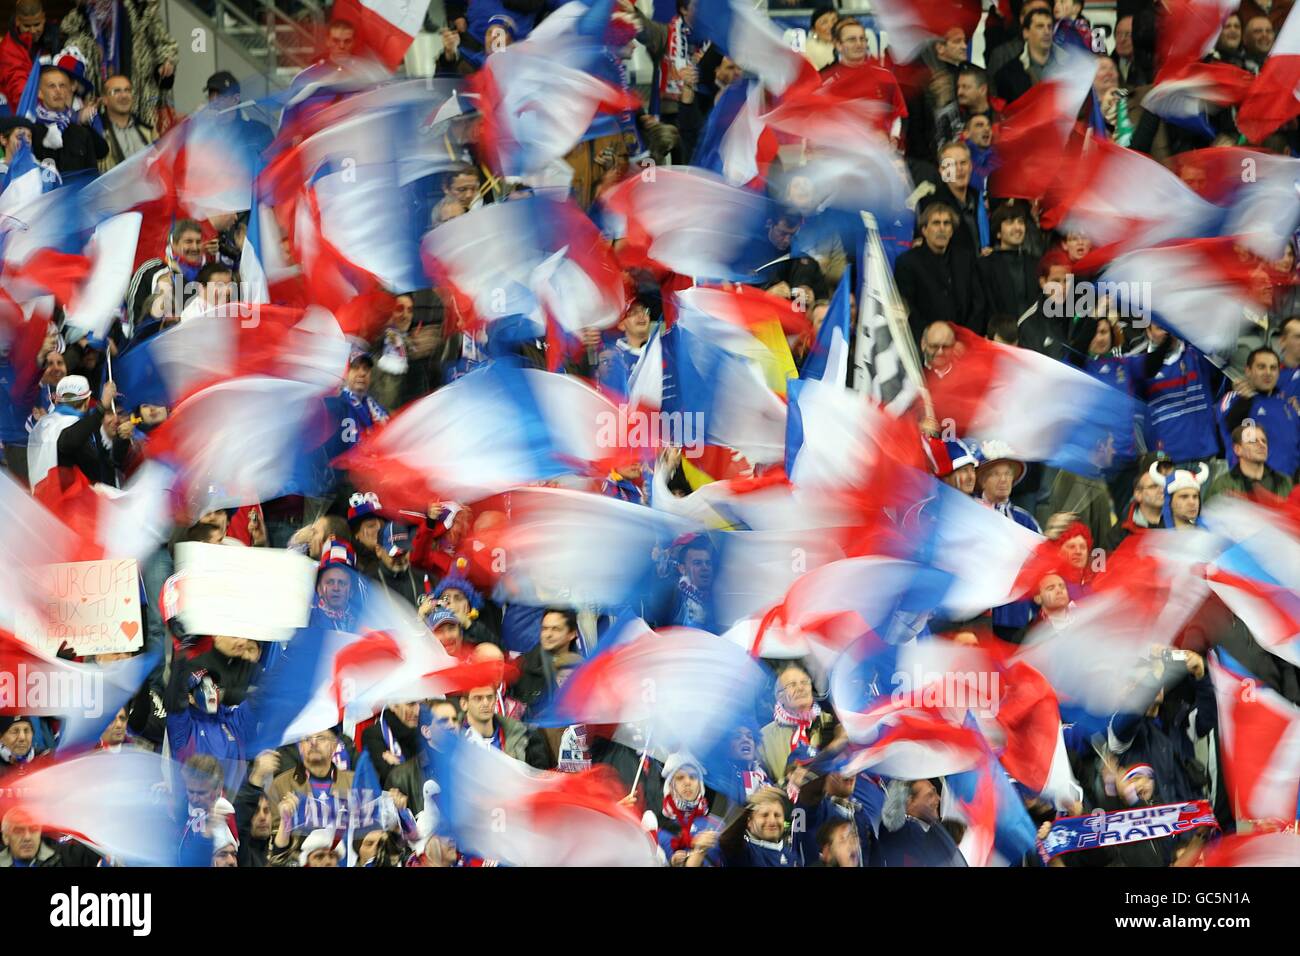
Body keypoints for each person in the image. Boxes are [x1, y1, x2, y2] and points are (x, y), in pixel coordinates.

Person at [59, 0, 177, 128]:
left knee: (141, 139)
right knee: (108, 142)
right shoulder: (80, 21)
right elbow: (71, 61)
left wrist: (166, 62)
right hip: (100, 103)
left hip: (139, 98)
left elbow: (166, 44)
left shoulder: (139, 10)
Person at [894, 202, 988, 343]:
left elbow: (978, 302)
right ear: (924, 230)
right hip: (926, 344)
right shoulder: (907, 262)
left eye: (947, 223)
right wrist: (930, 337)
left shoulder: (965, 258)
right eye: (936, 223)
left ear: (952, 230)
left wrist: (966, 337)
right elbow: (907, 308)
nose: (942, 228)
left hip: (965, 342)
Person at [1218, 347, 1300, 481]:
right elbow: (1229, 426)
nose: (1268, 373)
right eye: (1261, 367)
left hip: (1286, 487)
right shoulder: (1234, 399)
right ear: (1248, 371)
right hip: (1249, 486)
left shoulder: (1286, 404)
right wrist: (1245, 400)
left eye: (1273, 368)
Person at [760, 662, 838, 785]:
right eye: (792, 685)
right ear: (780, 696)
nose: (801, 688)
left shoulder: (833, 723)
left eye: (805, 682)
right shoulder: (763, 738)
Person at [31, 57, 108, 173]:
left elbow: (92, 173)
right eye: (52, 86)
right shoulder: (30, 128)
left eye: (62, 85)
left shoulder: (81, 131)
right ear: (40, 93)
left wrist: (83, 123)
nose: (58, 91)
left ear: (70, 89)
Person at [459, 681, 550, 768]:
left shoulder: (526, 736)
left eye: (490, 697)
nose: (486, 703)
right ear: (464, 704)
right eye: (478, 698)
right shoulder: (453, 738)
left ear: (495, 700)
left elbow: (540, 777)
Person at [877, 778, 966, 866]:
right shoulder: (902, 829)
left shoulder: (912, 828)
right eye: (930, 795)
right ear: (910, 801)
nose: (938, 798)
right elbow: (938, 853)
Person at [510, 607, 582, 713]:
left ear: (572, 634)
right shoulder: (521, 667)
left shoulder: (584, 668)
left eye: (556, 629)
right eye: (544, 629)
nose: (548, 635)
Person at [1205, 423, 1293, 502]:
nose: (1261, 445)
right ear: (1237, 449)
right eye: (1253, 441)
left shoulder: (1284, 482)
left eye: (1264, 441)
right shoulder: (1222, 485)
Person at [715, 786, 798, 867]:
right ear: (749, 822)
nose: (772, 821)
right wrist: (749, 806)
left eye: (777, 815)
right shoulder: (743, 852)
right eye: (765, 815)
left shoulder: (790, 855)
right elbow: (727, 839)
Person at [0, 0, 61, 107]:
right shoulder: (8, 50)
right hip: (23, 109)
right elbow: (20, 91)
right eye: (27, 26)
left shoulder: (55, 37)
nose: (33, 30)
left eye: (37, 24)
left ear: (43, 18)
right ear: (17, 21)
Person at [657, 752, 711, 864]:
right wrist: (672, 862)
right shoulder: (659, 830)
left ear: (700, 784)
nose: (687, 782)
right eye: (680, 777)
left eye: (693, 777)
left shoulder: (715, 825)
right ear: (671, 785)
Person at [995, 6, 1055, 104]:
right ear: (1026, 33)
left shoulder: (1068, 68)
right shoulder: (1007, 75)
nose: (1047, 32)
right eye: (1040, 26)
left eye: (1049, 26)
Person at [96, 72, 153, 171]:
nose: (124, 95)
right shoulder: (97, 134)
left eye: (127, 90)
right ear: (104, 99)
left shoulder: (148, 132)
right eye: (116, 91)